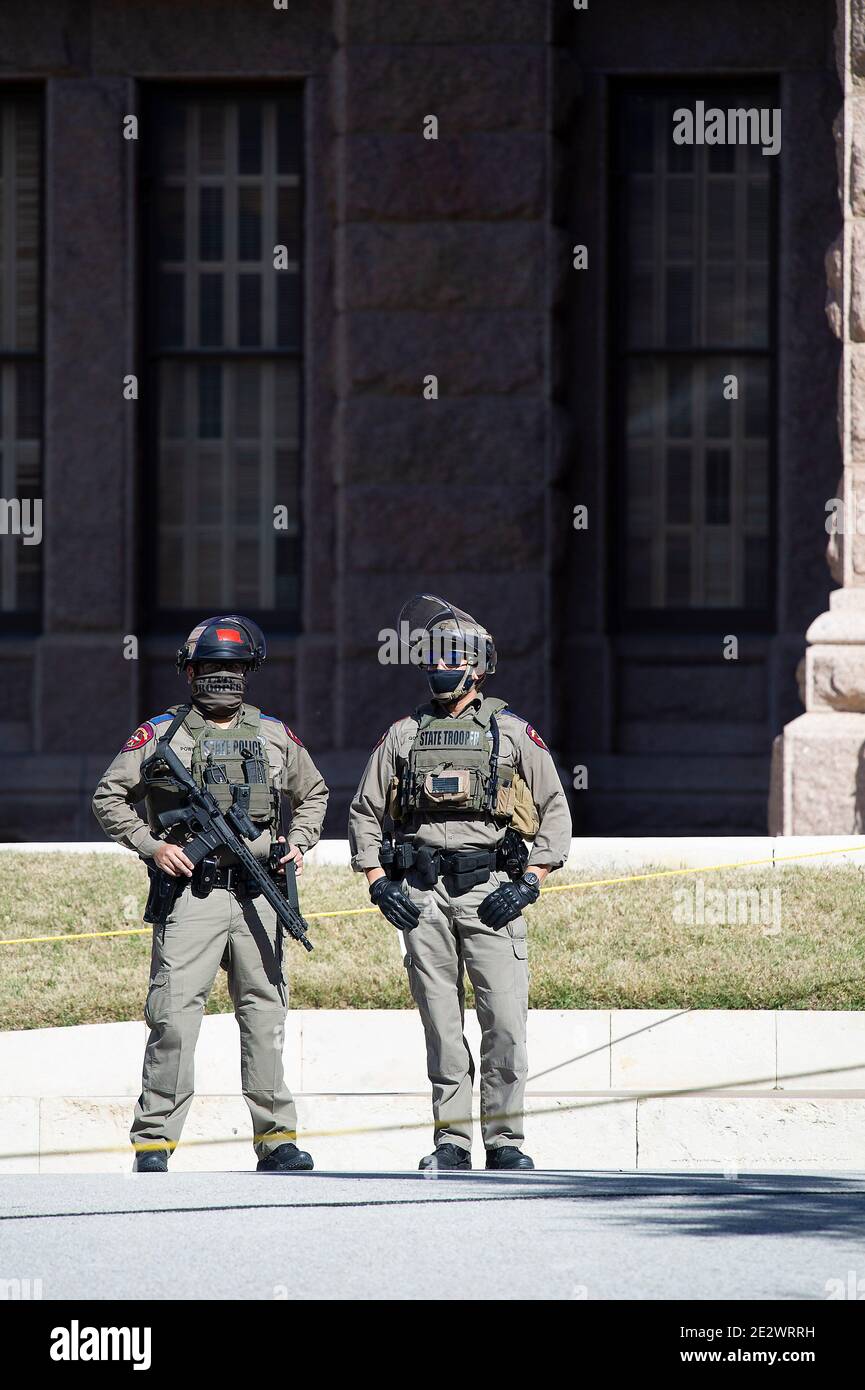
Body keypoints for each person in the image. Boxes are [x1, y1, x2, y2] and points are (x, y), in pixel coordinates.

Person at [92, 615, 328, 1173]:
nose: (224, 676)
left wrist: (297, 841)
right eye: (213, 666)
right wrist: (153, 846)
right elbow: (109, 797)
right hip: (190, 896)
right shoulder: (161, 734)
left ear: (248, 672)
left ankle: (277, 1142)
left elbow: (314, 792)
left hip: (258, 894)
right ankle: (154, 1142)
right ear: (191, 671)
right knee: (173, 1017)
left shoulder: (274, 735)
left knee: (264, 1016)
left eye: (234, 667)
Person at [348, 595, 571, 1171]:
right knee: (443, 1027)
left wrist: (529, 882)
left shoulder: (513, 732)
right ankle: (451, 1142)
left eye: (453, 657)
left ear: (477, 667)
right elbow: (364, 813)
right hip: (422, 896)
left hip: (491, 892)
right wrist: (378, 881)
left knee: (505, 1023)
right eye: (434, 656)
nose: (440, 668)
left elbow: (556, 812)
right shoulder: (402, 735)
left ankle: (504, 1141)